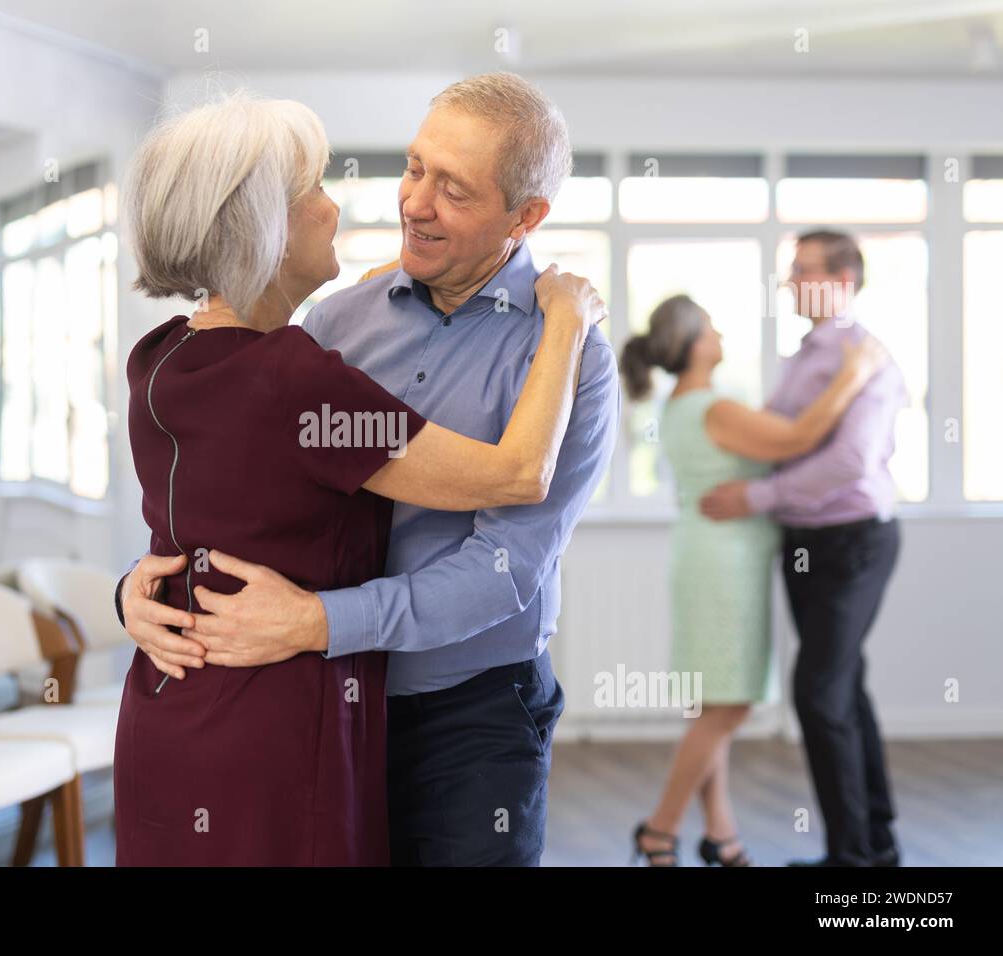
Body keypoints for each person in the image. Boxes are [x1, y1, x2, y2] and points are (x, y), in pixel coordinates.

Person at [118, 72, 620, 866]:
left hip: (467, 717)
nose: (414, 204)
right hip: (318, 703)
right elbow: (240, 499)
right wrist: (140, 591)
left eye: (453, 189)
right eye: (415, 168)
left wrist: (322, 622)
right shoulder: (330, 326)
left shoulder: (569, 359)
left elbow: (508, 569)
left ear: (524, 218)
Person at [620, 293, 886, 866]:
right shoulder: (714, 407)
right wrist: (853, 374)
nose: (720, 334)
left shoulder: (682, 404)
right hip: (725, 569)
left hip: (705, 558)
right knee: (729, 707)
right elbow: (798, 440)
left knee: (710, 703)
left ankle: (722, 834)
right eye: (712, 327)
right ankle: (659, 831)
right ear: (694, 344)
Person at [701, 230, 907, 867]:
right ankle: (876, 843)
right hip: (806, 544)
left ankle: (852, 863)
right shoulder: (803, 358)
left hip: (854, 543)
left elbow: (850, 460)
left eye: (803, 270)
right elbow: (776, 438)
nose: (789, 281)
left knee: (819, 692)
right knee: (846, 687)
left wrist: (755, 499)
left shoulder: (867, 357)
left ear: (842, 280)